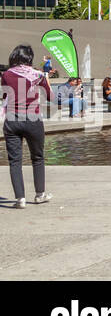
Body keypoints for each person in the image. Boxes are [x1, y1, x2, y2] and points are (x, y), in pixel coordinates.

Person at [4, 45, 52, 208]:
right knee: (37, 158)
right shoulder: (38, 75)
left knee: (15, 161)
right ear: (29, 58)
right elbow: (50, 96)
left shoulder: (6, 75)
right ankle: (40, 195)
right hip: (33, 119)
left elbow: (4, 95)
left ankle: (20, 199)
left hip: (12, 120)